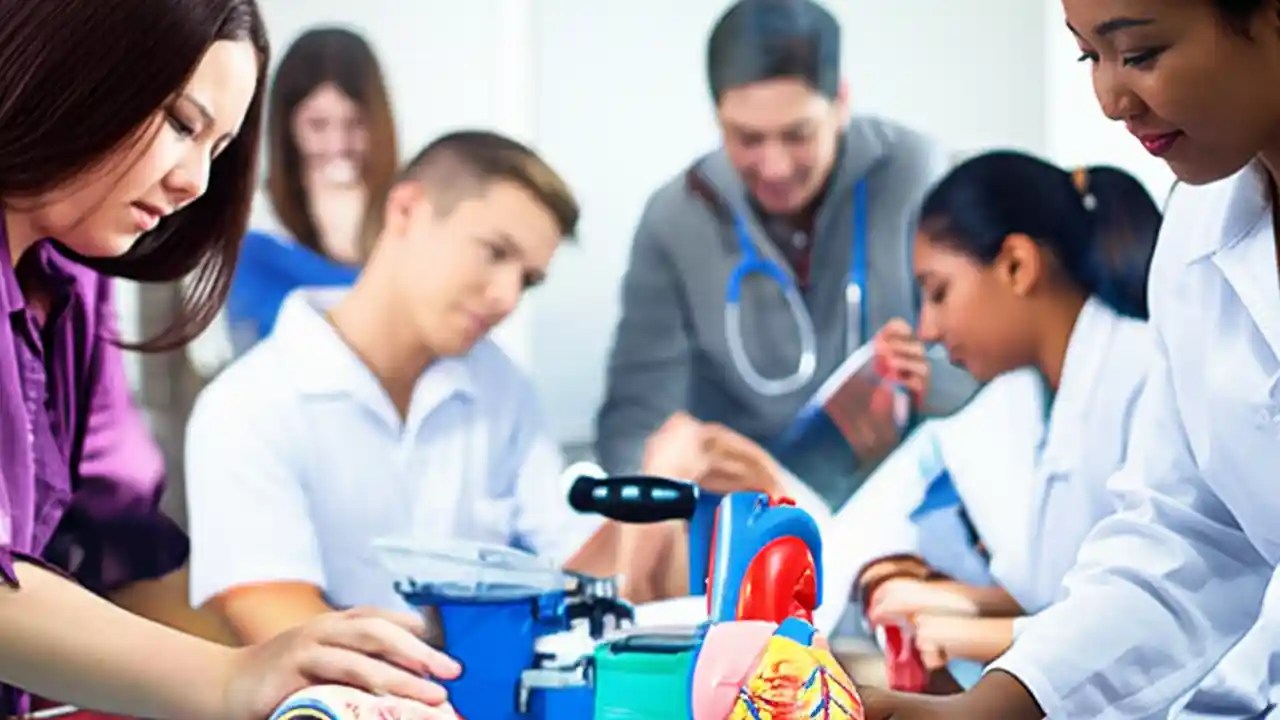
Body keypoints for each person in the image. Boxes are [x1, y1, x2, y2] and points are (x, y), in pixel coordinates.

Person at [0, 2, 460, 719]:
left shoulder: (71, 284)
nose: (196, 183)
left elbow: (112, 538)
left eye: (217, 150)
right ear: (73, 60)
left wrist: (308, 671)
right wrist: (231, 676)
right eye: (182, 123)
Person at [861, 0, 1280, 717]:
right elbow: (1185, 539)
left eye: (1140, 53)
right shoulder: (1198, 232)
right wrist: (992, 708)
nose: (1111, 101)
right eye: (1090, 57)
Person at [183, 131, 617, 644]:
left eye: (527, 280)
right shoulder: (247, 408)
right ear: (407, 211)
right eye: (495, 252)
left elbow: (589, 579)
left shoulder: (503, 389)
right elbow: (284, 631)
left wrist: (656, 501)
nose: (506, 296)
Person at [594, 0, 976, 509]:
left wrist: (931, 387)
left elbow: (997, 373)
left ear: (841, 101)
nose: (773, 167)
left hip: (900, 506)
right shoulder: (675, 217)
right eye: (746, 138)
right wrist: (659, 507)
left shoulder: (918, 174)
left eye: (798, 135)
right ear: (716, 116)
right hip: (741, 517)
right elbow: (636, 420)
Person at [226, 26, 399, 353]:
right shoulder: (256, 232)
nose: (338, 146)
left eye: (355, 123)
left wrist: (362, 244)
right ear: (288, 127)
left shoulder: (410, 217)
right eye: (318, 125)